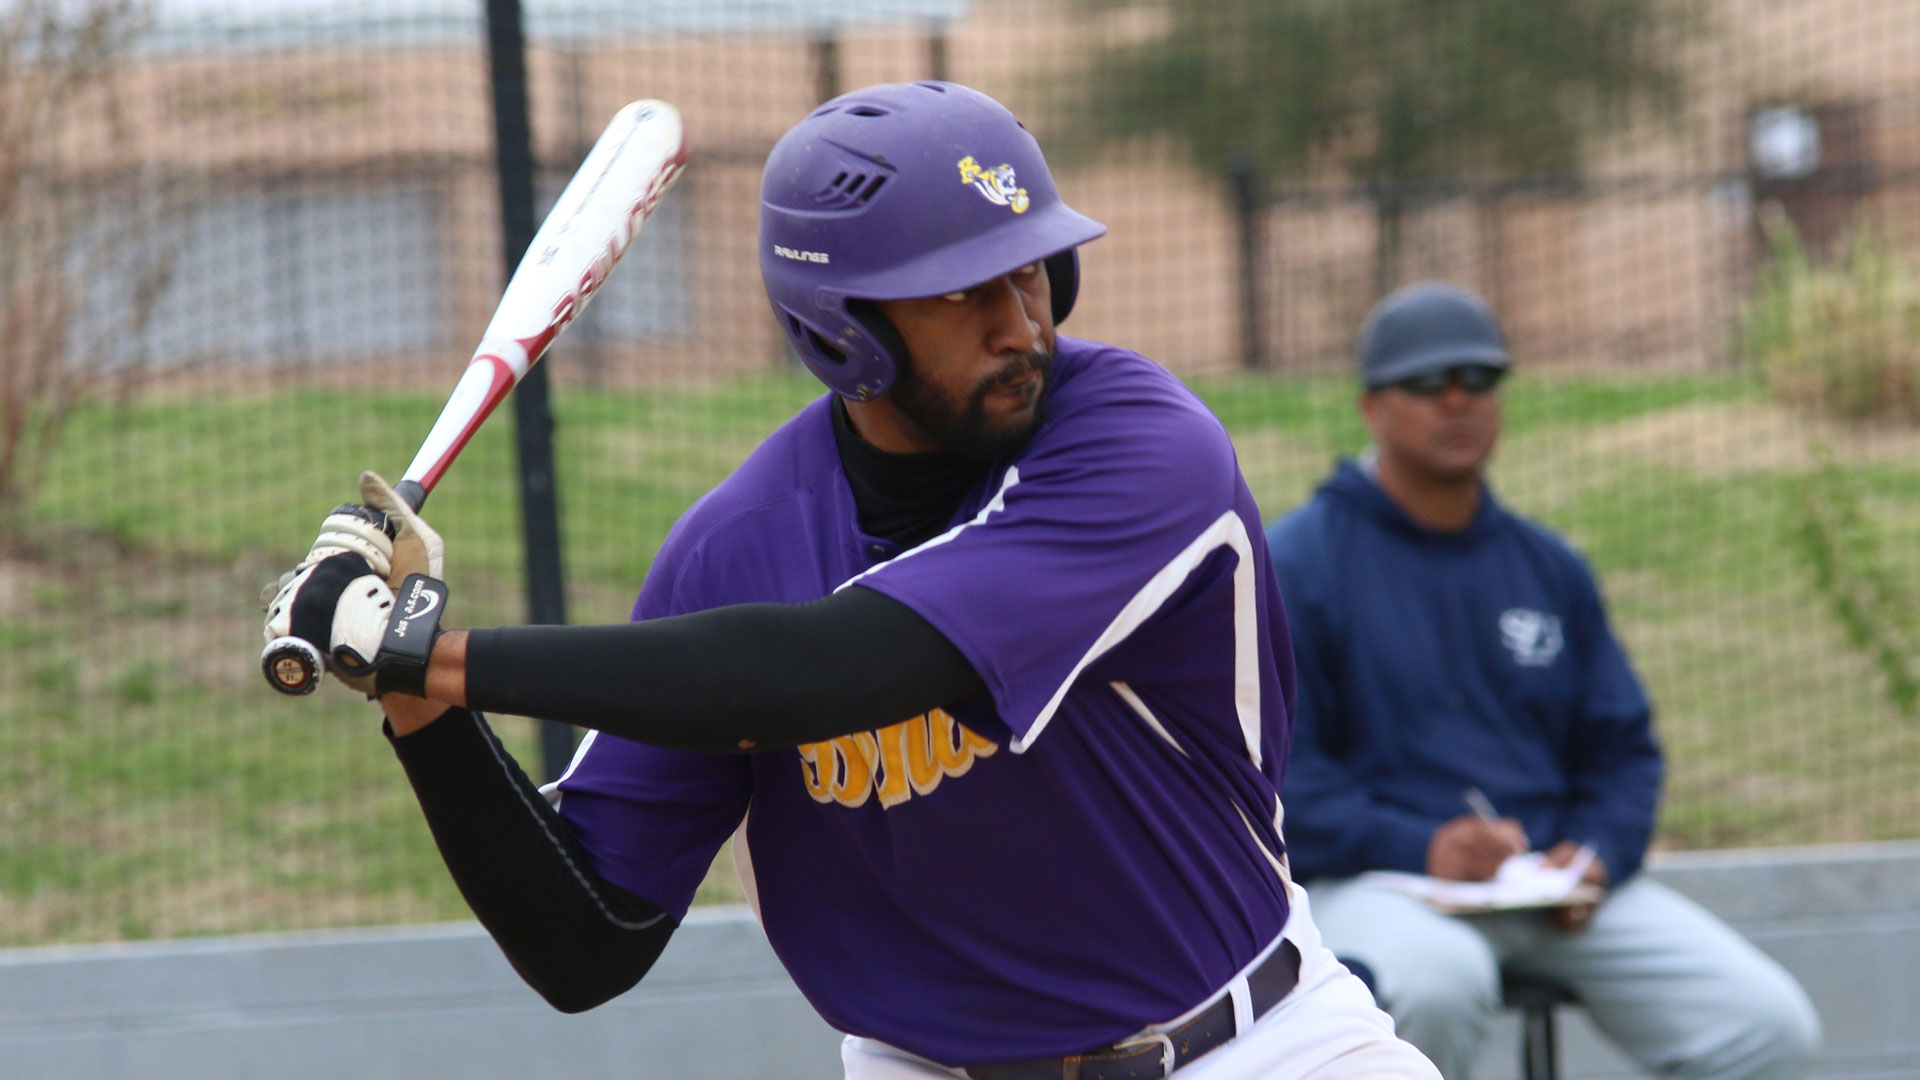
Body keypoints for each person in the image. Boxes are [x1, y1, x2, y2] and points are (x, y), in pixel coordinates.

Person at [261, 81, 1438, 1079]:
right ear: (843, 330)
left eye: (1031, 271)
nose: (1021, 323)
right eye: (960, 291)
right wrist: (414, 699)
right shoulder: (738, 546)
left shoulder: (1138, 442)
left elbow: (844, 668)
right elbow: (588, 943)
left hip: (1254, 1046)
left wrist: (441, 653)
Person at [1263, 281, 1822, 1079]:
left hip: (1549, 893)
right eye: (1426, 383)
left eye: (1479, 379)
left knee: (1767, 1024)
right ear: (1371, 408)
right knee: (1437, 986)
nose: (1457, 400)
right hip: (1375, 882)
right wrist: (1421, 844)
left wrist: (1595, 854)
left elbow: (1623, 752)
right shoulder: (1298, 564)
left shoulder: (1547, 565)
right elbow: (1278, 778)